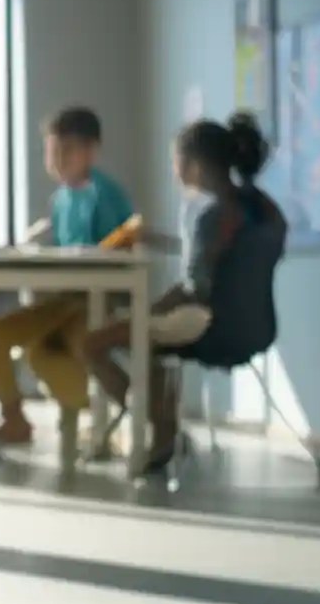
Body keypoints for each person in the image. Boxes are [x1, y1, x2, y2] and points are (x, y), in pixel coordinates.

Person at [79, 113, 286, 471]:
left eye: (174, 159)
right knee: (149, 338)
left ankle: (160, 427)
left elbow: (194, 291)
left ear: (191, 164)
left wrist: (142, 312)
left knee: (93, 343)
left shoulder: (212, 217)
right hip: (257, 329)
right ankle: (162, 427)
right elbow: (229, 262)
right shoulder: (264, 209)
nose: (173, 168)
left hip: (210, 328)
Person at [0, 106, 134, 444]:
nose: (55, 160)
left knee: (60, 351)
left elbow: (121, 257)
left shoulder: (106, 195)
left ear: (90, 150)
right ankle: (14, 417)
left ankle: (122, 417)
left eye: (64, 151)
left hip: (94, 301)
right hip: (60, 301)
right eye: (51, 151)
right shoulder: (60, 199)